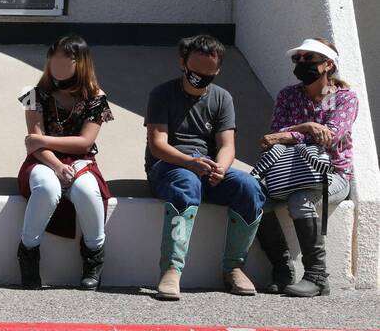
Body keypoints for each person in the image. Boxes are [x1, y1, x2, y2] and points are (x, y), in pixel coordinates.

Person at [145, 34, 265, 301]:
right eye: (194, 71)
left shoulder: (222, 98)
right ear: (183, 62)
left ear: (218, 69)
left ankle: (234, 266)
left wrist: (220, 168)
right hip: (169, 167)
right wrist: (190, 163)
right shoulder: (162, 94)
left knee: (249, 187)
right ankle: (171, 270)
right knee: (186, 182)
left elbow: (227, 146)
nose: (199, 77)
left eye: (208, 73)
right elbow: (157, 145)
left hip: (208, 170)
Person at [255, 37, 358, 297]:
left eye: (308, 58)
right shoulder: (289, 95)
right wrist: (307, 128)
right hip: (289, 171)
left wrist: (297, 130)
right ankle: (282, 269)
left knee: (301, 199)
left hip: (331, 174)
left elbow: (330, 136)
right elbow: (274, 134)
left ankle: (317, 276)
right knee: (254, 197)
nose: (301, 63)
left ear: (327, 65)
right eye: (297, 58)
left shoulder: (342, 97)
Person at [16, 35, 114, 290]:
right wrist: (57, 166)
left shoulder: (96, 98)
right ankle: (28, 252)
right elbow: (33, 146)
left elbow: (84, 142)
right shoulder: (33, 95)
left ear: (80, 62)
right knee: (47, 188)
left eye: (66, 58)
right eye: (54, 57)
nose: (58, 64)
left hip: (82, 160)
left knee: (87, 191)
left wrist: (43, 140)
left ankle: (94, 255)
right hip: (42, 160)